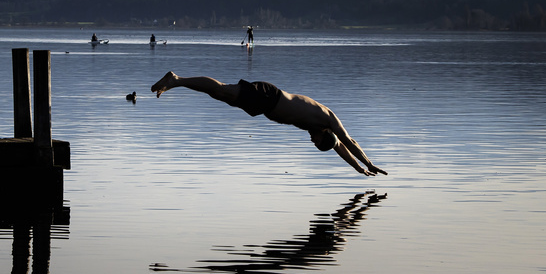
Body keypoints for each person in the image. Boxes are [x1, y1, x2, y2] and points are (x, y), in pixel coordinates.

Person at [150, 72, 387, 177]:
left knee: (219, 95)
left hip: (264, 106)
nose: (311, 140)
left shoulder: (322, 131)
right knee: (222, 91)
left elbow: (340, 149)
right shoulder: (327, 119)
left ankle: (177, 81)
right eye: (316, 142)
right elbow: (348, 141)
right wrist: (369, 162)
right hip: (268, 96)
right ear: (324, 135)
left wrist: (358, 169)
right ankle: (176, 80)